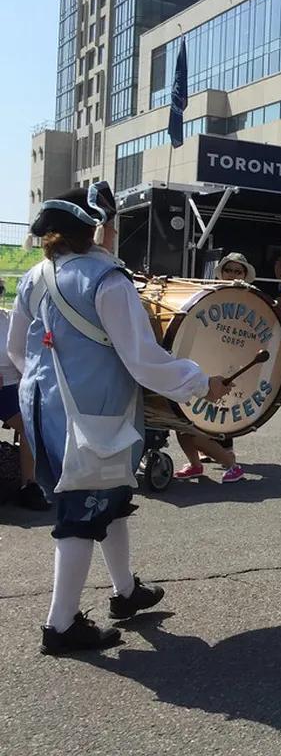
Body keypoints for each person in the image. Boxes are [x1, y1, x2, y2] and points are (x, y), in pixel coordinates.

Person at [10, 184, 227, 654]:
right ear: (96, 228)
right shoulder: (107, 280)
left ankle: (125, 592)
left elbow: (16, 350)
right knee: (81, 513)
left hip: (44, 411)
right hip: (94, 416)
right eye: (109, 222)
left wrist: (51, 388)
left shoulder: (35, 276)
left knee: (110, 499)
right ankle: (60, 625)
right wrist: (199, 381)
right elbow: (142, 360)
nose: (112, 230)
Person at [172, 252, 255, 484]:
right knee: (184, 422)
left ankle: (229, 461)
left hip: (231, 366)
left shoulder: (251, 299)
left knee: (213, 419)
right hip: (206, 362)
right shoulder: (210, 295)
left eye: (238, 271)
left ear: (245, 275)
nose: (232, 274)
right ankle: (196, 464)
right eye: (228, 270)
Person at [0, 306, 48, 510]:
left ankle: (29, 485)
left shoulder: (10, 319)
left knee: (30, 426)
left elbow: (26, 353)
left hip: (11, 387)